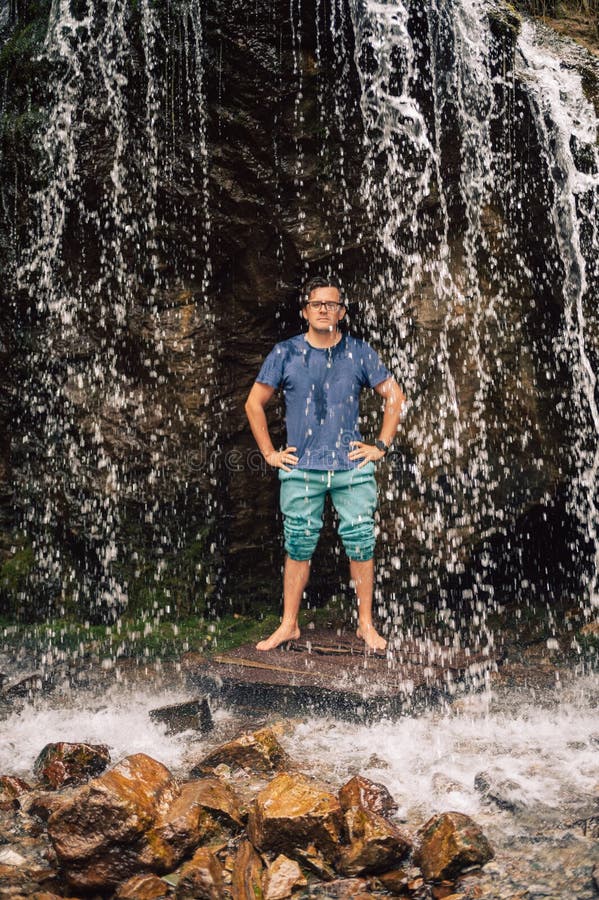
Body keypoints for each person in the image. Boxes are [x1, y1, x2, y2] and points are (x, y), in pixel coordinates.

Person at [244, 275, 405, 652]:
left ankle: (366, 624)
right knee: (298, 544)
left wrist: (380, 445)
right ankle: (289, 624)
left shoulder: (359, 352)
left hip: (352, 468)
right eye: (316, 304)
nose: (323, 310)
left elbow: (395, 396)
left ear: (342, 312)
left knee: (361, 542)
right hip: (300, 469)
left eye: (331, 304)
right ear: (305, 311)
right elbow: (254, 404)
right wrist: (270, 454)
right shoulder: (284, 353)